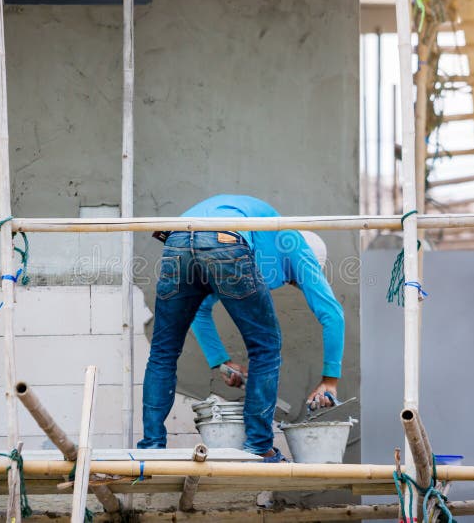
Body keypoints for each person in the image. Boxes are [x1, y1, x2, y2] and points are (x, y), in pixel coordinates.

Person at [138, 195, 345, 461]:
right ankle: (259, 446)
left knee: (163, 353)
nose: (291, 285)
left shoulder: (264, 240)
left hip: (177, 238)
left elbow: (201, 307)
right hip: (225, 238)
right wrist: (330, 380)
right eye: (295, 281)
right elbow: (333, 314)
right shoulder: (296, 244)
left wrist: (220, 361)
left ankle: (151, 447)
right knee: (266, 347)